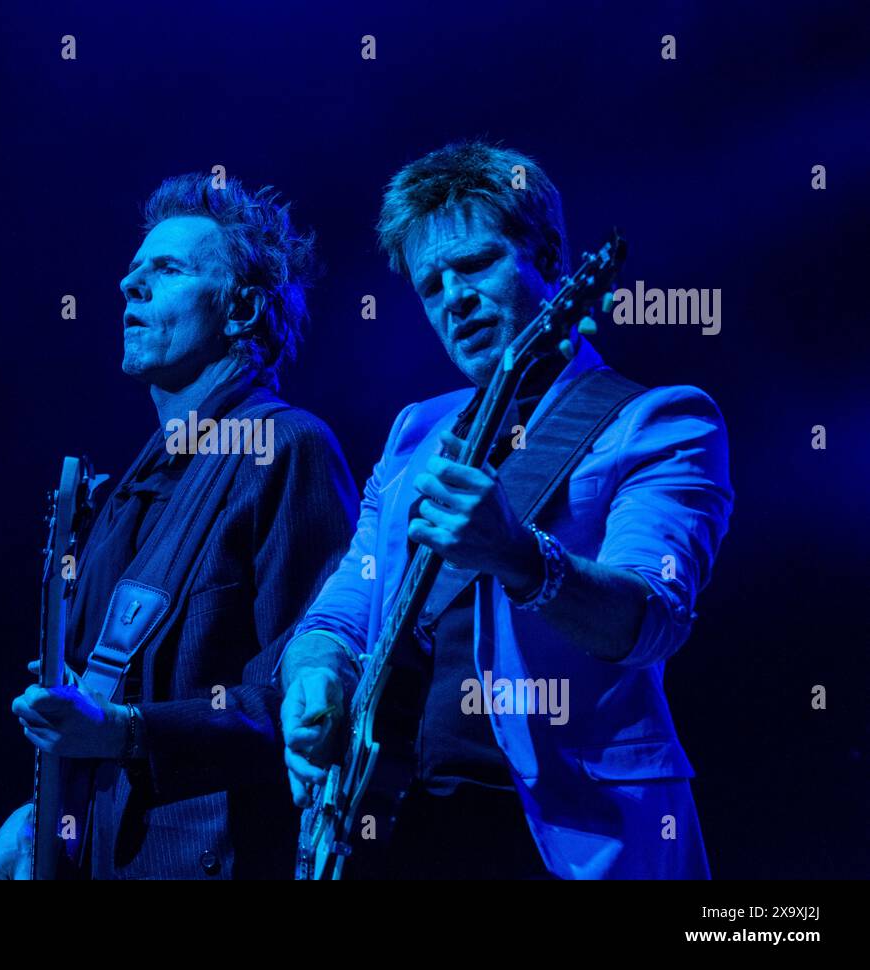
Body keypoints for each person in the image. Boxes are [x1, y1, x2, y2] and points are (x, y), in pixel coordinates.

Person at [279, 141, 733, 879]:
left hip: (562, 830)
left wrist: (519, 557)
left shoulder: (659, 421)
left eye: (476, 264)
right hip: (403, 823)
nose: (453, 297)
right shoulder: (414, 435)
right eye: (431, 285)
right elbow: (342, 611)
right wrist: (315, 676)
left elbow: (652, 619)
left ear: (550, 260)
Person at [0, 173, 358, 879]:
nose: (130, 287)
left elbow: (303, 705)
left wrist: (125, 731)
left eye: (168, 270)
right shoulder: (129, 491)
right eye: (132, 272)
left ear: (241, 307)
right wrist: (38, 823)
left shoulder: (288, 448)